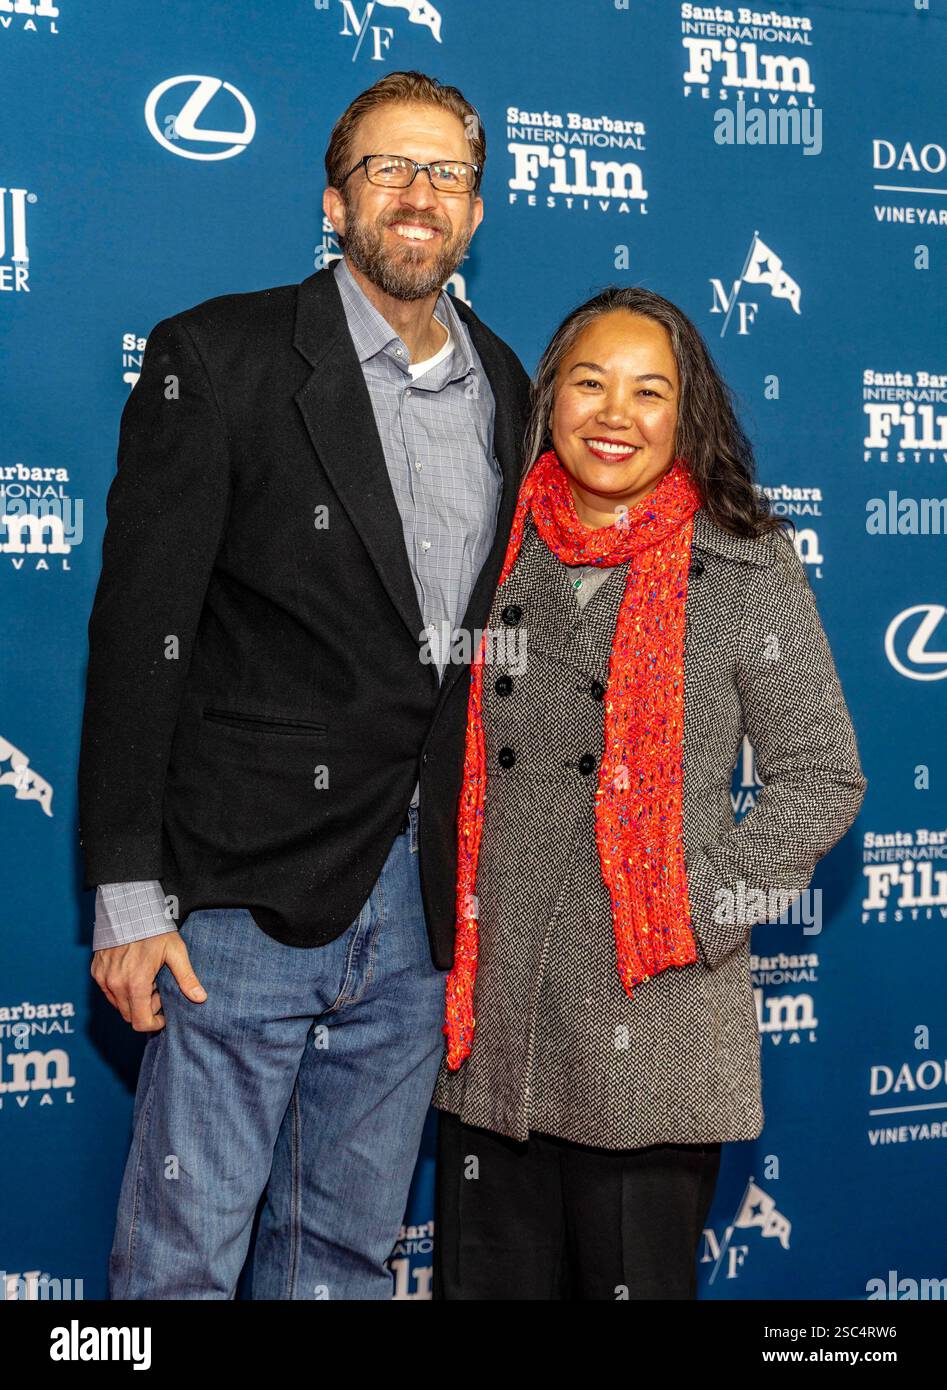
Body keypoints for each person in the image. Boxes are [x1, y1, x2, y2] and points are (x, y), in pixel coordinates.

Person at [78, 71, 531, 1300]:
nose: (418, 194)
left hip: (423, 907)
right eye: (388, 168)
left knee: (339, 1257)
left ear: (475, 211)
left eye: (446, 173)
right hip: (240, 896)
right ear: (334, 203)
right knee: (181, 1261)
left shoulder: (508, 384)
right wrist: (127, 893)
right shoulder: (218, 357)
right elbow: (141, 635)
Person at [431, 286, 868, 1300]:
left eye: (647, 391)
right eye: (590, 383)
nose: (614, 414)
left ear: (685, 412)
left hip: (654, 1023)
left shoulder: (742, 560)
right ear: (549, 398)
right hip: (492, 1032)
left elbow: (820, 776)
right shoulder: (492, 546)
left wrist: (692, 906)